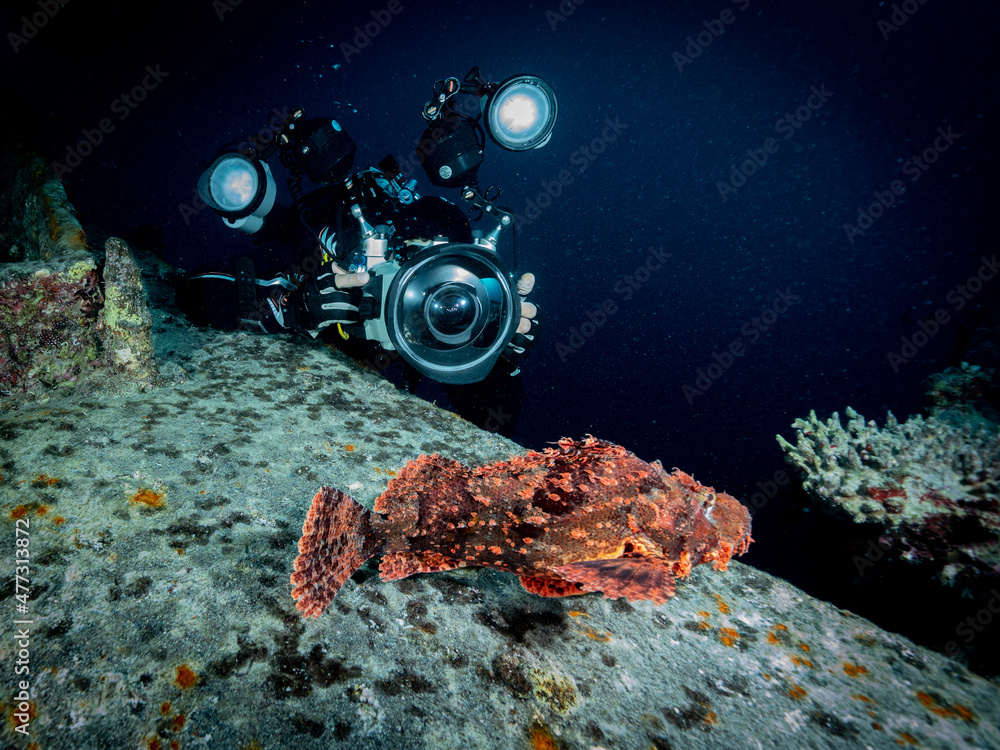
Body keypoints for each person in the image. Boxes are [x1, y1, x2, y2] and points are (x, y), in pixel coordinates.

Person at [177, 164, 539, 437]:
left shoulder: (457, 319)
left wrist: (496, 351)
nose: (433, 294)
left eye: (447, 275)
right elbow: (193, 291)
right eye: (414, 265)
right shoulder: (335, 265)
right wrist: (294, 307)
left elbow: (496, 424)